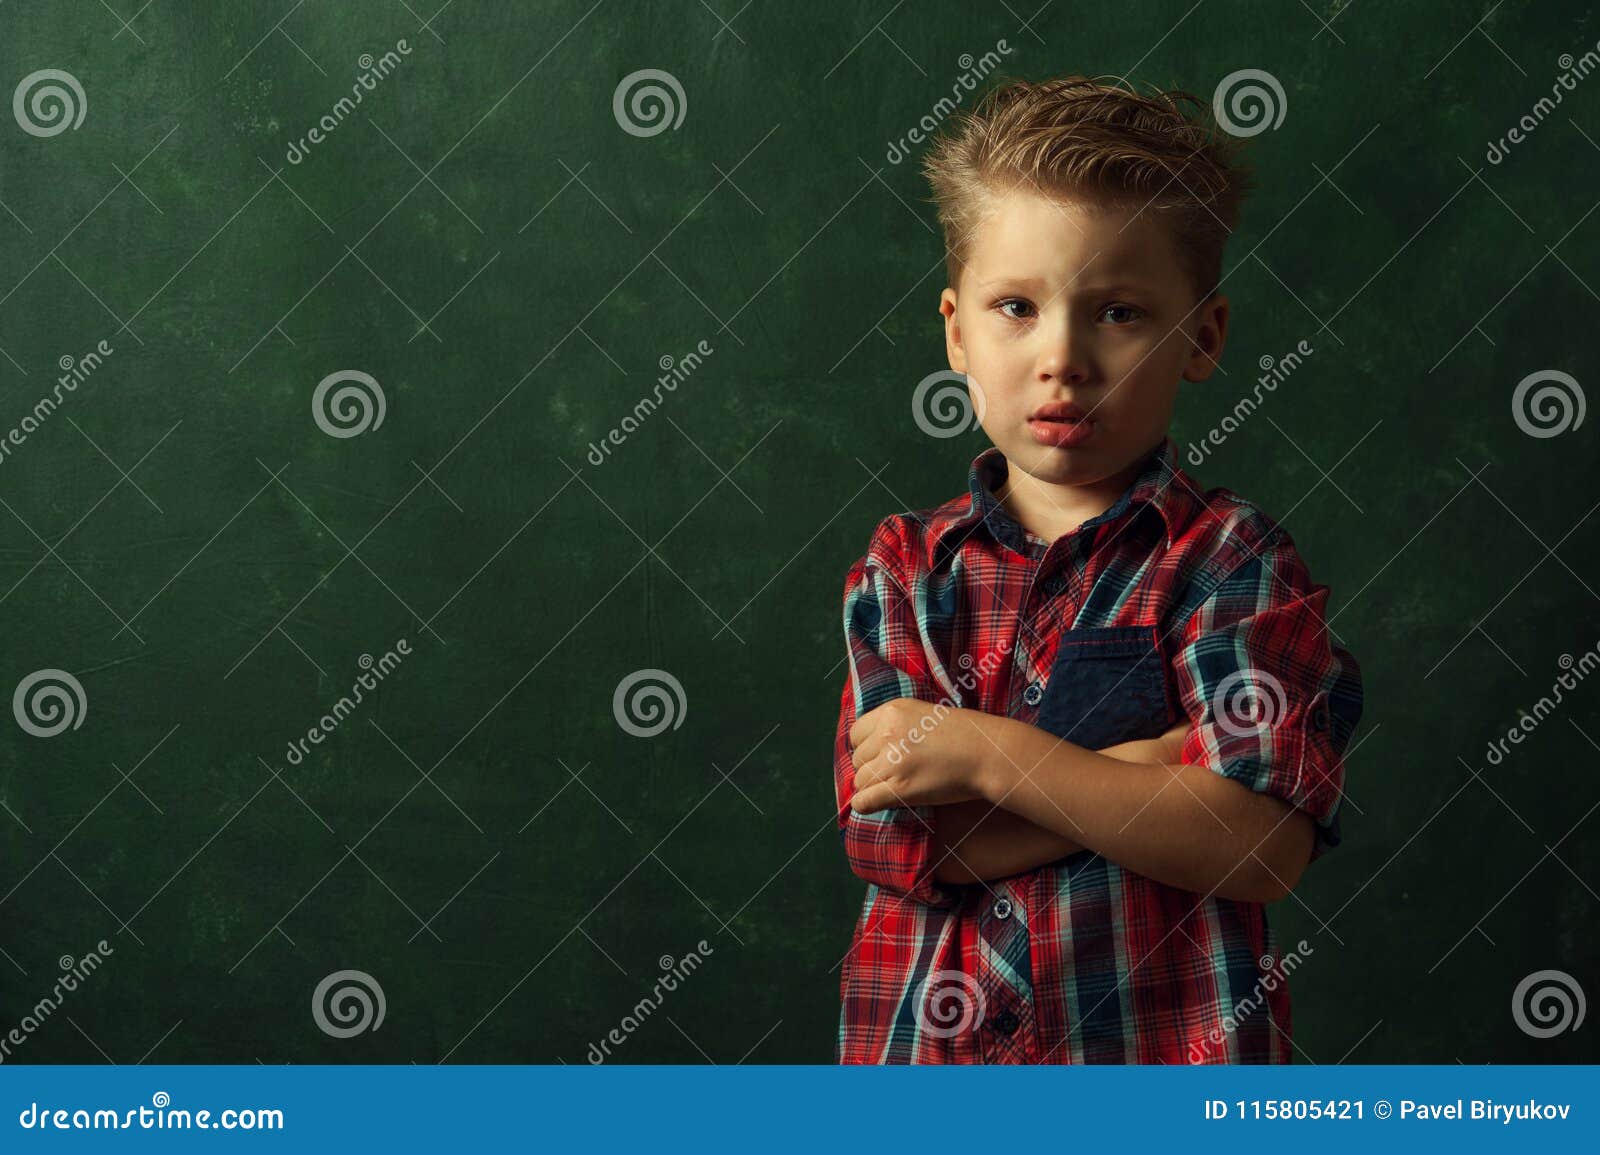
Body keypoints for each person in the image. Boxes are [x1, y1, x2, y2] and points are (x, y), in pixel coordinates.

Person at [833, 74, 1364, 1064]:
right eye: (1016, 307)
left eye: (1117, 312)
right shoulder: (903, 571)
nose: (1063, 357)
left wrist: (987, 758)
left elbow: (1260, 841)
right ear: (956, 331)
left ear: (1201, 336)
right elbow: (910, 843)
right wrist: (1164, 772)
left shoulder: (1232, 561)